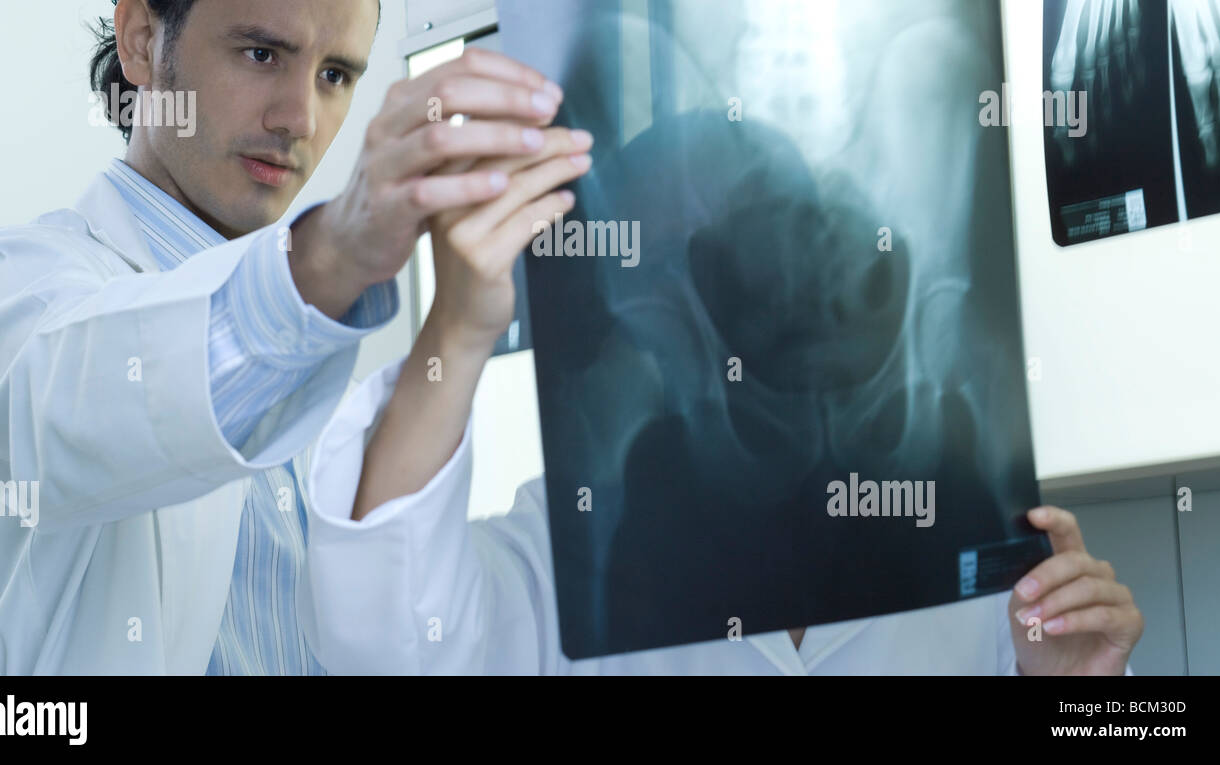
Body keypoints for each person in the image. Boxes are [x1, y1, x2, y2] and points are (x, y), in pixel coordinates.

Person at [0, 0, 589, 674]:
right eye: (260, 53)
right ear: (142, 41)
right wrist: (334, 253)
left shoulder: (323, 346)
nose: (300, 119)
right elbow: (85, 399)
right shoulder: (6, 289)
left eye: (335, 75)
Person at [297, 132, 1146, 675]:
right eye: (728, 277)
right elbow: (391, 649)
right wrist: (455, 328)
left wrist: (1083, 695)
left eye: (781, 257)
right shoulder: (565, 564)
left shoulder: (971, 556)